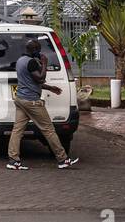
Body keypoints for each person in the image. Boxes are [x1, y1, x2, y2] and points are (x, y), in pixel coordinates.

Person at [6, 37, 79, 170]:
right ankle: (63, 159)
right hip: (32, 101)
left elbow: (30, 81)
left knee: (17, 130)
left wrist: (50, 88)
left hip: (21, 99)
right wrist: (44, 63)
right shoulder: (32, 62)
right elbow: (40, 78)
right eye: (38, 50)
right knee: (48, 130)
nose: (40, 53)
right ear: (33, 50)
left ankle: (13, 160)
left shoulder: (20, 61)